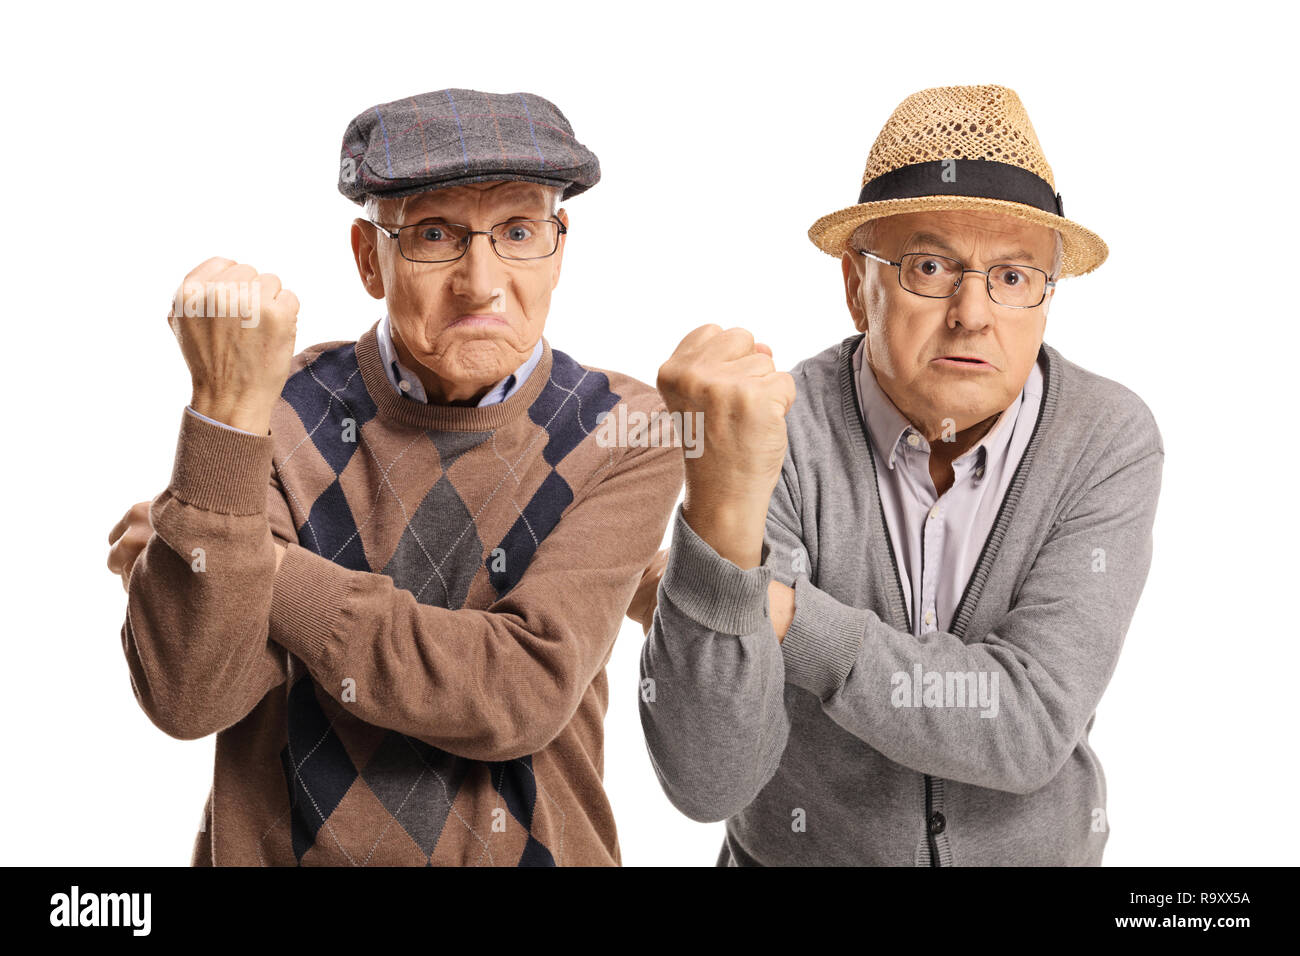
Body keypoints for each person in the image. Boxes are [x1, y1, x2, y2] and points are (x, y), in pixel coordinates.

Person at [107, 88, 682, 866]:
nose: (480, 282)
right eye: (436, 236)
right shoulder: (265, 407)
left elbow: (520, 690)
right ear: (366, 257)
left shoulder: (625, 427)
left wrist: (251, 563)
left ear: (559, 245)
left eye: (517, 231)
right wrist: (220, 413)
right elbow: (192, 696)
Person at [633, 84, 1164, 865]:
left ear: (1047, 300)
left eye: (1013, 278)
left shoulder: (1107, 438)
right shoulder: (775, 429)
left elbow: (1027, 727)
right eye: (928, 266)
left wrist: (774, 613)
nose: (972, 313)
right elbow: (711, 781)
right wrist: (719, 508)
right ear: (856, 286)